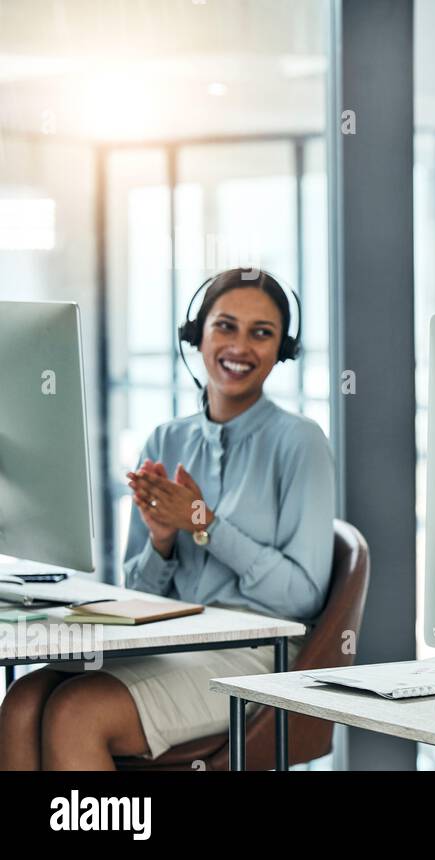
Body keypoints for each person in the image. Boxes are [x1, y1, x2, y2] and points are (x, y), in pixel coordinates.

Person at [0, 268, 336, 770]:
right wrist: (161, 541)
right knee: (23, 702)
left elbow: (301, 596)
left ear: (281, 350)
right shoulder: (166, 440)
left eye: (261, 333)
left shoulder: (300, 441)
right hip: (172, 641)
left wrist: (203, 523)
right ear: (196, 336)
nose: (240, 345)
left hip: (256, 654)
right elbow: (137, 592)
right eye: (225, 326)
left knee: (77, 713)